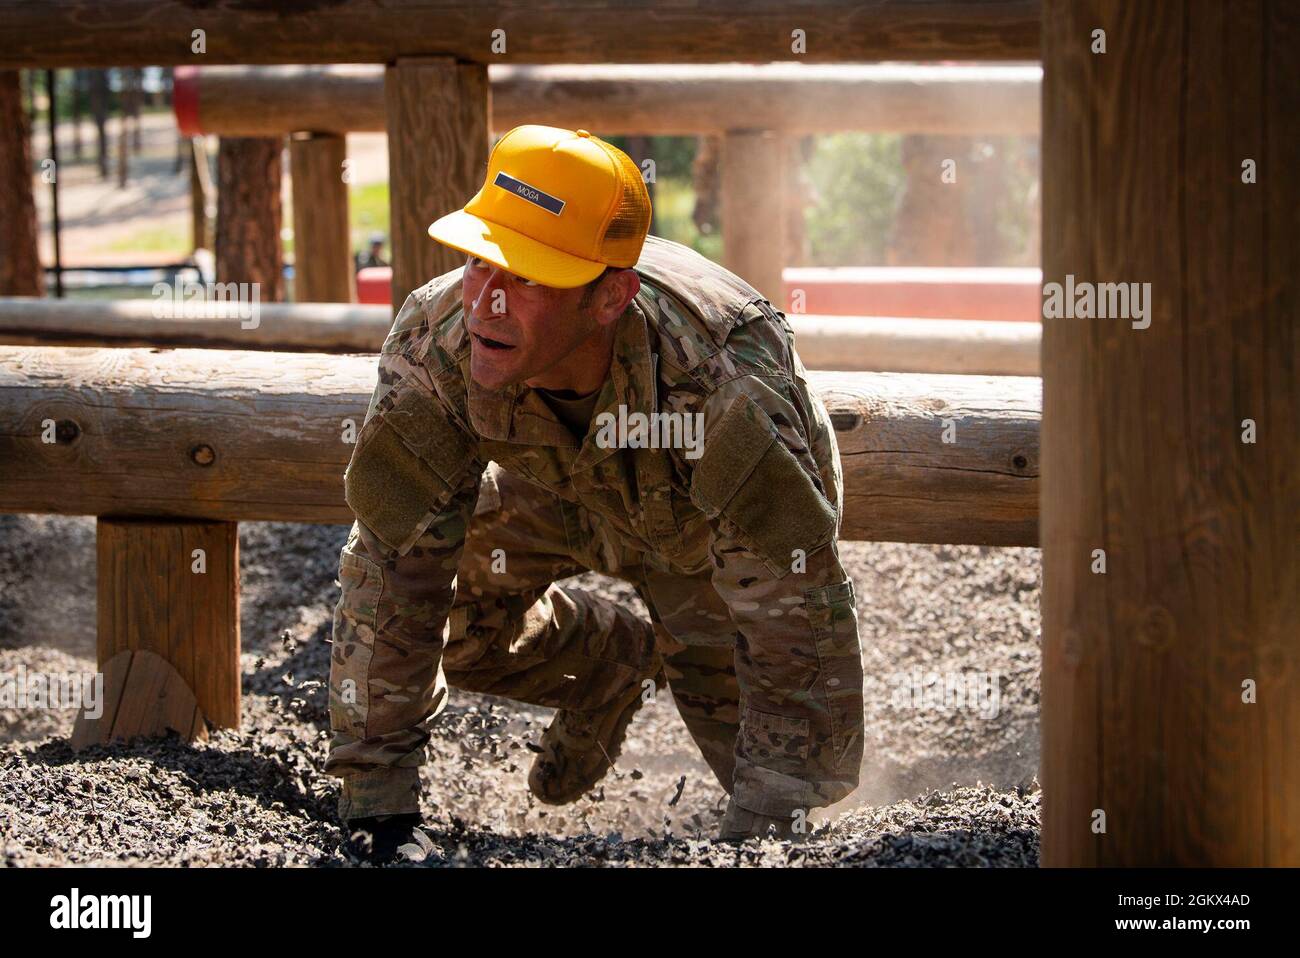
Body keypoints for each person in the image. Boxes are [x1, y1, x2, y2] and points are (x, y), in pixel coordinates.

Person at [325, 125, 863, 861]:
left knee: (773, 788)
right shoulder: (439, 339)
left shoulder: (723, 382)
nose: (487, 301)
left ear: (611, 296)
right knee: (446, 606)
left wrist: (770, 831)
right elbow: (391, 568)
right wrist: (377, 808)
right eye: (481, 262)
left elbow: (797, 615)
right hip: (560, 493)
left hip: (703, 542)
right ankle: (610, 665)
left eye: (528, 277)